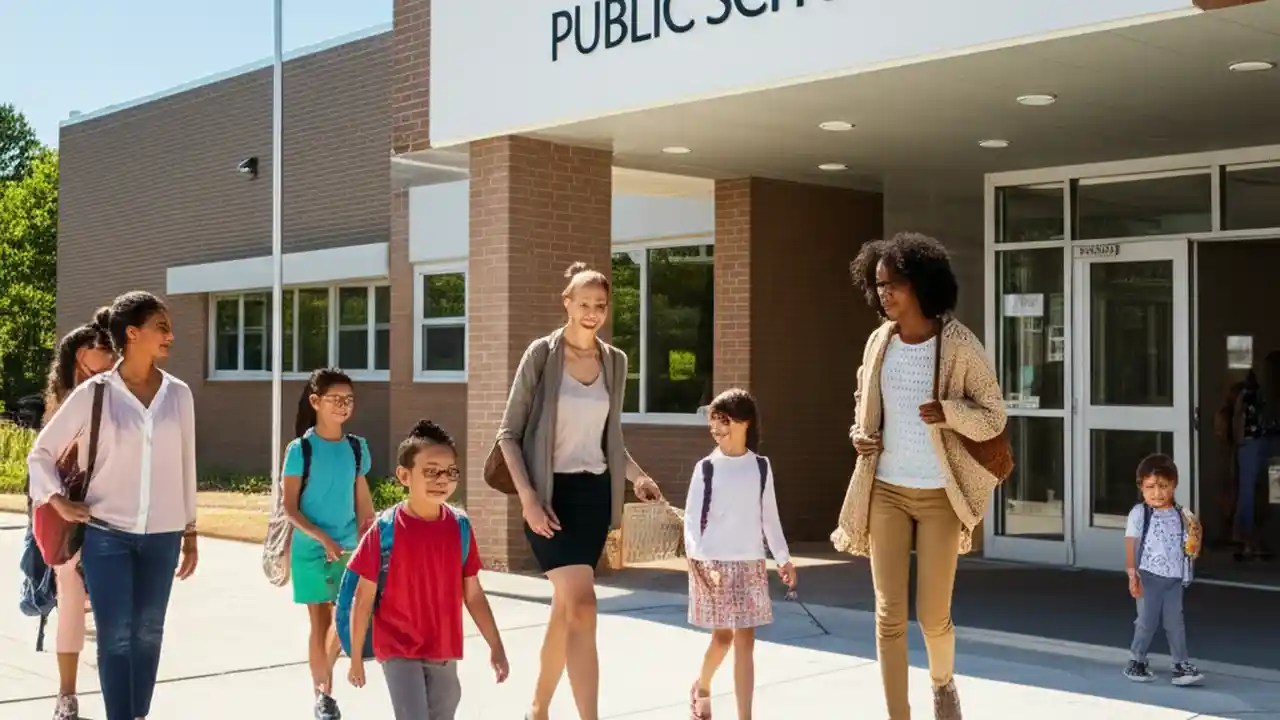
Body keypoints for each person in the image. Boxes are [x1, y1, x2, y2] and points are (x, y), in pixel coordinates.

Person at [832, 232, 1006, 720]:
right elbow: (864, 404)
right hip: (885, 490)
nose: (885, 293)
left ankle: (942, 684)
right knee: (888, 616)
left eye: (895, 284)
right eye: (879, 284)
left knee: (932, 616)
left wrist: (948, 411)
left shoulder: (958, 345)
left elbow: (993, 415)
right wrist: (859, 435)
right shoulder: (878, 341)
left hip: (939, 497)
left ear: (924, 285)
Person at [496, 261, 665, 720]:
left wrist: (637, 478)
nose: (591, 312)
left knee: (566, 609)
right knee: (585, 606)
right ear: (566, 302)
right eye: (583, 303)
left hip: (593, 499)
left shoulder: (615, 362)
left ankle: (538, 708)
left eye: (600, 306)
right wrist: (529, 499)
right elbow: (507, 434)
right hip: (549, 499)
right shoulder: (542, 355)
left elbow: (611, 440)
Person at [28, 291, 199, 720]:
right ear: (132, 333)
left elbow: (186, 464)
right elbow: (41, 454)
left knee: (148, 634)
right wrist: (59, 501)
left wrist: (190, 529)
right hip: (107, 535)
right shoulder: (95, 394)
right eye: (161, 327)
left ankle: (136, 714)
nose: (170, 335)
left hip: (162, 537)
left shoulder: (179, 395)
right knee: (116, 636)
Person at [346, 420, 509, 719]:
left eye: (450, 472)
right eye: (431, 471)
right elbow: (363, 597)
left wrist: (496, 645)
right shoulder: (384, 531)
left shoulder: (459, 527)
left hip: (444, 649)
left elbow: (473, 595)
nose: (441, 479)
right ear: (404, 475)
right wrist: (356, 655)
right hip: (397, 648)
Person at [683, 388, 796, 720]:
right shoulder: (706, 468)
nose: (717, 429)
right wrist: (699, 558)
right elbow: (691, 520)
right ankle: (702, 685)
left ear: (744, 422)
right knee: (722, 639)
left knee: (745, 641)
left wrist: (783, 558)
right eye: (713, 423)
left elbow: (769, 517)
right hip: (712, 563)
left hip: (750, 564)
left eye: (724, 421)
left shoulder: (760, 467)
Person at [281, 367, 375, 720]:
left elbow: (362, 500)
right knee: (319, 621)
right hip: (311, 549)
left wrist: (370, 536)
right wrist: (322, 538)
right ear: (316, 402)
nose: (343, 406)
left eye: (348, 400)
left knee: (345, 617)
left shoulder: (356, 447)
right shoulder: (300, 450)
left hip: (350, 548)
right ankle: (323, 696)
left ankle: (327, 682)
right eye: (335, 399)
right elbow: (289, 507)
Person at [38, 310, 117, 720]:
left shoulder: (121, 394)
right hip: (68, 516)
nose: (112, 356)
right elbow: (43, 462)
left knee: (111, 606)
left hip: (113, 513)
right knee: (71, 599)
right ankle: (66, 695)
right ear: (82, 355)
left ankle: (116, 693)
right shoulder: (68, 403)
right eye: (104, 350)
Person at [1124, 453, 1204, 687]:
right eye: (1150, 487)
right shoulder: (1140, 513)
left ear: (1174, 485)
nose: (1157, 493)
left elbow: (1191, 544)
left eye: (1163, 486)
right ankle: (1136, 660)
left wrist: (1195, 543)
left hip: (1174, 578)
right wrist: (1132, 574)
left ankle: (1180, 663)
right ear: (1141, 487)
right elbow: (1131, 542)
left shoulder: (1182, 514)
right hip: (1147, 576)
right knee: (1146, 620)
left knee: (1174, 622)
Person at [1232, 355, 1279, 560]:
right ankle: (1247, 540)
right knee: (1251, 492)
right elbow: (1238, 415)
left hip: (1272, 442)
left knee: (1272, 492)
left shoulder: (1269, 393)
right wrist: (1240, 439)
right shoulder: (1250, 392)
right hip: (1254, 442)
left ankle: (1263, 539)